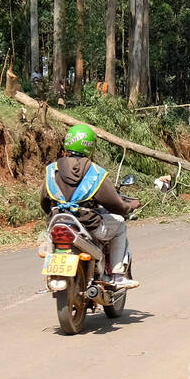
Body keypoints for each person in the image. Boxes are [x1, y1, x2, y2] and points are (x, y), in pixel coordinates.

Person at [41, 124, 141, 290]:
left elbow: (44, 202)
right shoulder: (94, 172)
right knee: (120, 224)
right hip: (88, 225)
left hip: (57, 222)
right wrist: (129, 207)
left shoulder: (52, 170)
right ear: (90, 146)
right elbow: (115, 204)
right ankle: (117, 275)